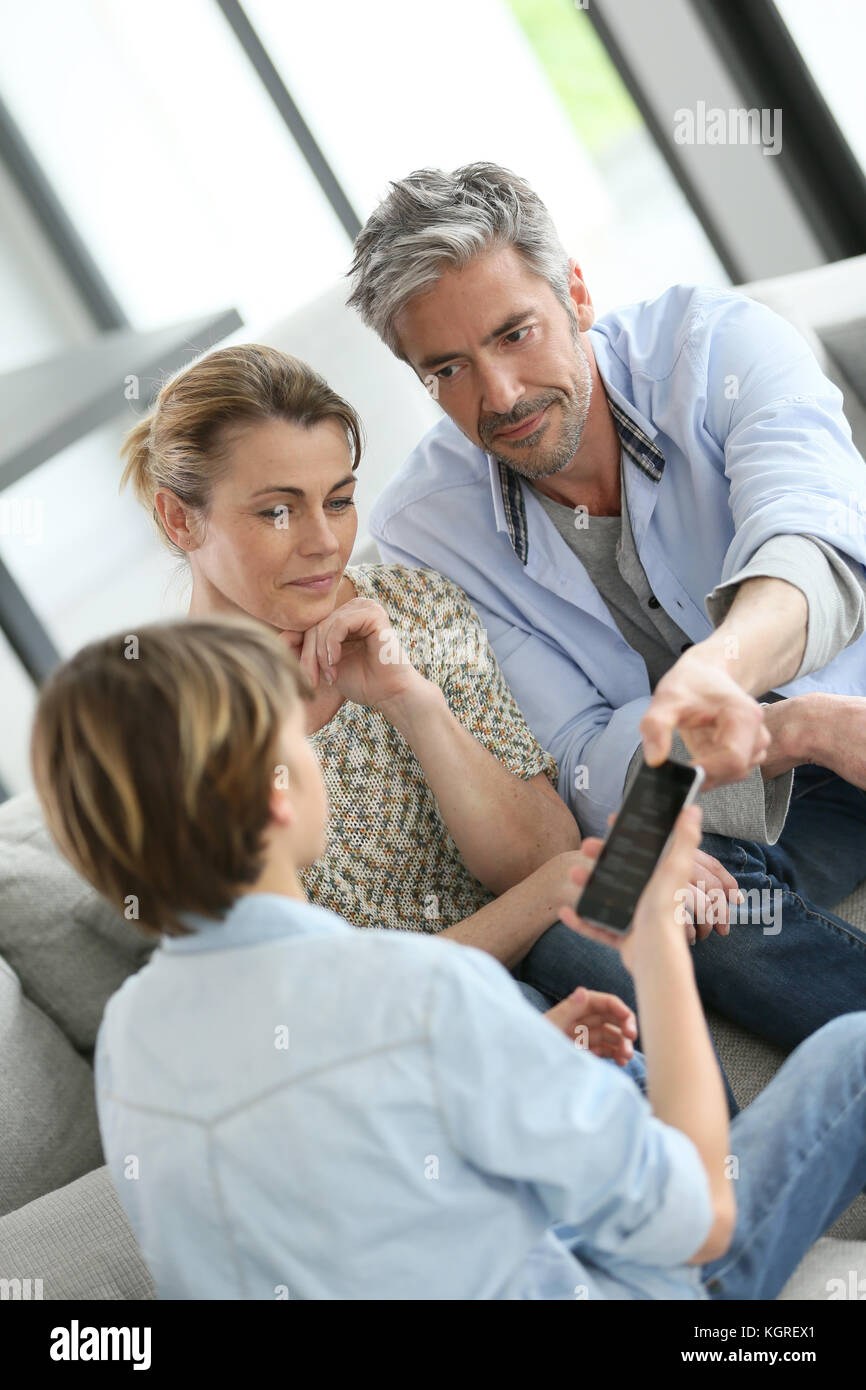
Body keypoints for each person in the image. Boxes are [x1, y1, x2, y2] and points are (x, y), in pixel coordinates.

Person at [29, 617, 866, 1299]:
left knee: (613, 1077)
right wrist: (656, 952)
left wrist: (522, 1051)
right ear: (278, 791)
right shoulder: (417, 990)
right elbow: (696, 1223)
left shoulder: (131, 1045)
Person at [347, 161, 866, 1052]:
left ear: (576, 292)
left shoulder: (719, 348)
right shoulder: (424, 531)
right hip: (727, 793)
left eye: (516, 334)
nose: (500, 395)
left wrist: (721, 668)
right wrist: (791, 728)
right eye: (450, 369)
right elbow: (580, 757)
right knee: (623, 907)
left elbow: (816, 551)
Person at [117, 344, 738, 1058]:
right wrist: (549, 893)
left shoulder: (413, 607)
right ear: (180, 519)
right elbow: (326, 1017)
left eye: (340, 501)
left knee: (651, 921)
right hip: (403, 1040)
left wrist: (414, 702)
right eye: (278, 512)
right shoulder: (164, 743)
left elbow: (545, 850)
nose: (326, 544)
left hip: (539, 952)